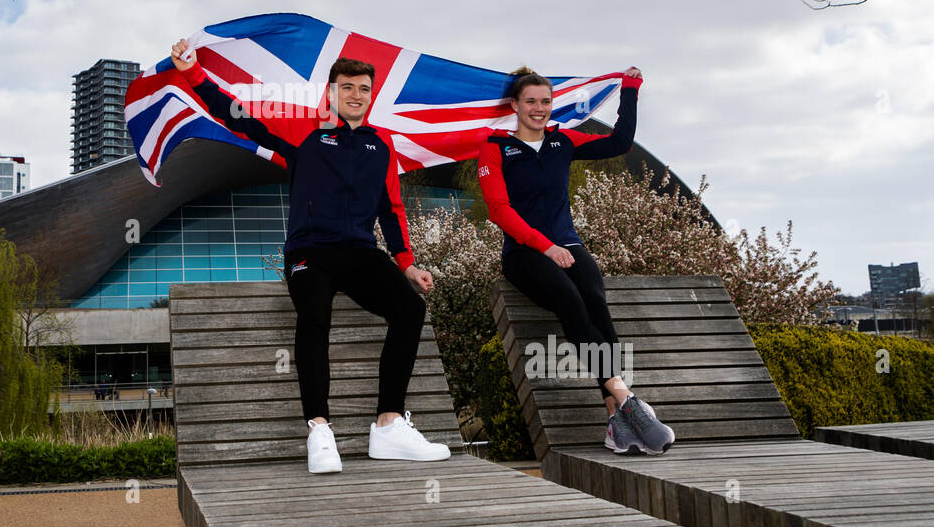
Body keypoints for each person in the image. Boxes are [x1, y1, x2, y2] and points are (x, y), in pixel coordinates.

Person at [170, 38, 452, 473]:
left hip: (360, 252)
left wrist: (406, 262)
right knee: (315, 317)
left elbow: (391, 209)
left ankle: (388, 425)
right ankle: (319, 430)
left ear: (370, 95)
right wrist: (193, 73)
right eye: (347, 87)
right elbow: (237, 115)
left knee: (410, 309)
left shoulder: (382, 146)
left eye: (363, 89)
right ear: (330, 92)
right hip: (309, 253)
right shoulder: (304, 131)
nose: (355, 95)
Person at [476, 66, 675, 455]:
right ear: (515, 105)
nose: (538, 108)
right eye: (530, 101)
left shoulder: (562, 141)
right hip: (523, 253)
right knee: (569, 301)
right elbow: (499, 210)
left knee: (597, 306)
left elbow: (619, 143)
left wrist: (630, 90)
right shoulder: (495, 148)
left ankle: (617, 422)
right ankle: (626, 397)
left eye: (545, 101)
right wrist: (544, 246)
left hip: (568, 245)